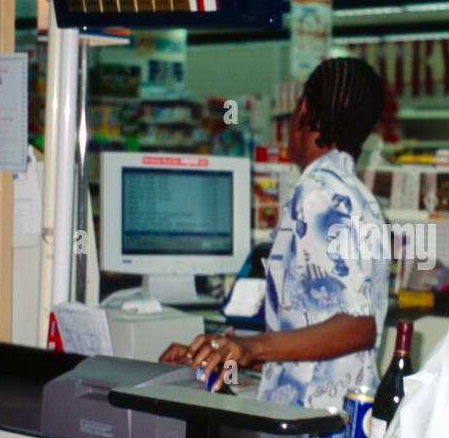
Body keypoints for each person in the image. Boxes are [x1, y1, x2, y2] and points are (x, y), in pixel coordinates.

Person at [161, 57, 390, 409]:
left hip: (308, 430)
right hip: (341, 419)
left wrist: (253, 348)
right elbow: (312, 326)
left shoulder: (317, 193)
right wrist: (219, 353)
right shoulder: (362, 199)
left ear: (304, 110)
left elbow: (358, 328)